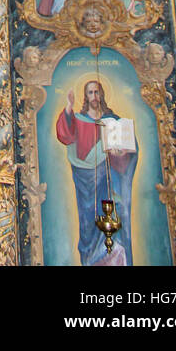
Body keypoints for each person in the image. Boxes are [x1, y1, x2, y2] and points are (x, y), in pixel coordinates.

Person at [55, 80, 137, 265]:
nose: (94, 96)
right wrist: (68, 107)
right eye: (90, 93)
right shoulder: (79, 120)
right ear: (86, 96)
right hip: (86, 181)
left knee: (116, 211)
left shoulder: (113, 121)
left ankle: (115, 258)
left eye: (97, 92)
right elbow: (65, 135)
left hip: (110, 179)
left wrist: (122, 154)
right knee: (88, 220)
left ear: (102, 95)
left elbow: (129, 150)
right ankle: (92, 259)